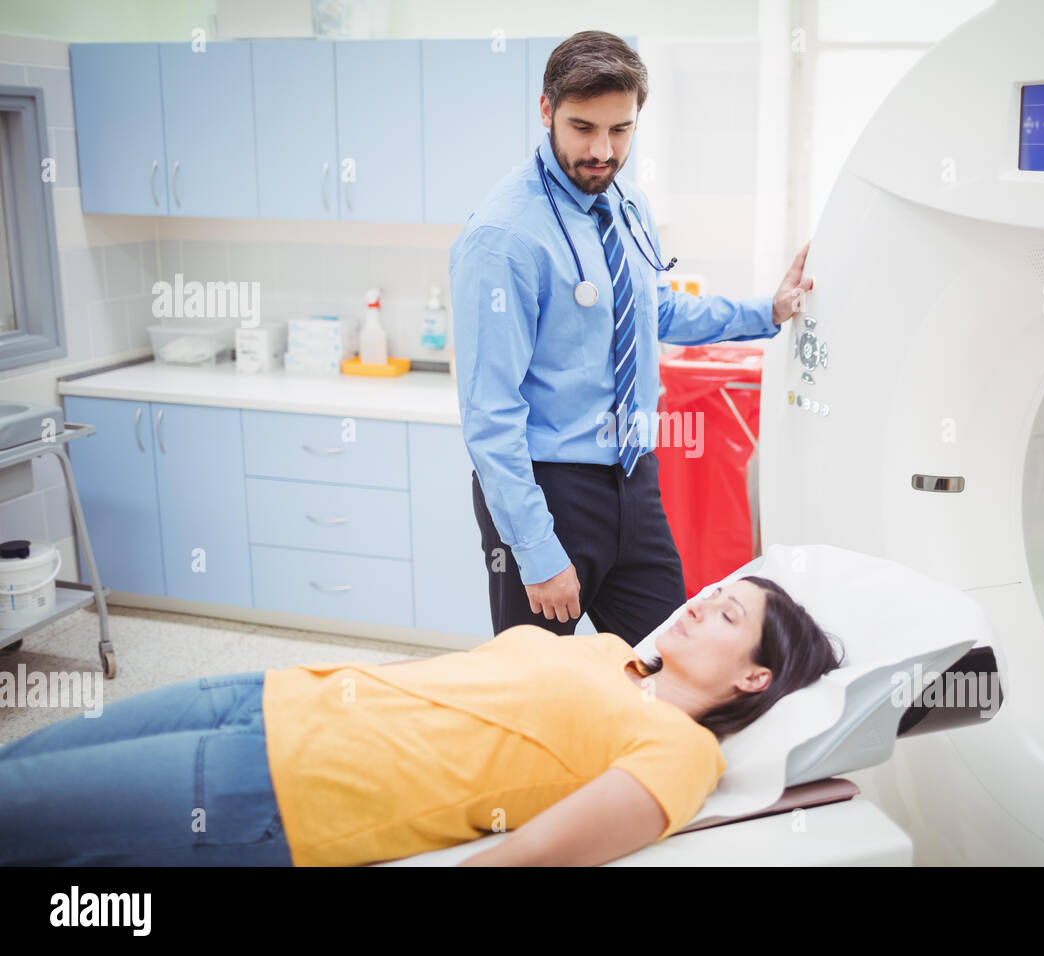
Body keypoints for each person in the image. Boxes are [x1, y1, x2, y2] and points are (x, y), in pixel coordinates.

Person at [0, 577, 842, 867]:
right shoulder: (609, 649)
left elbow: (535, 854)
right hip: (267, 696)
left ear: (755, 676)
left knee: (22, 806)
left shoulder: (680, 750)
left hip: (281, 788)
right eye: (712, 595)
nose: (702, 605)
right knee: (26, 765)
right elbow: (452, 675)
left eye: (727, 616)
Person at [451, 30, 814, 646]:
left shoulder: (627, 204)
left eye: (620, 130)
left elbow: (654, 313)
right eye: (583, 127)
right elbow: (489, 416)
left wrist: (767, 311)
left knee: (671, 665)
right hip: (548, 485)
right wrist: (538, 552)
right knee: (539, 691)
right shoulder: (504, 237)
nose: (602, 150)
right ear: (546, 111)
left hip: (635, 478)